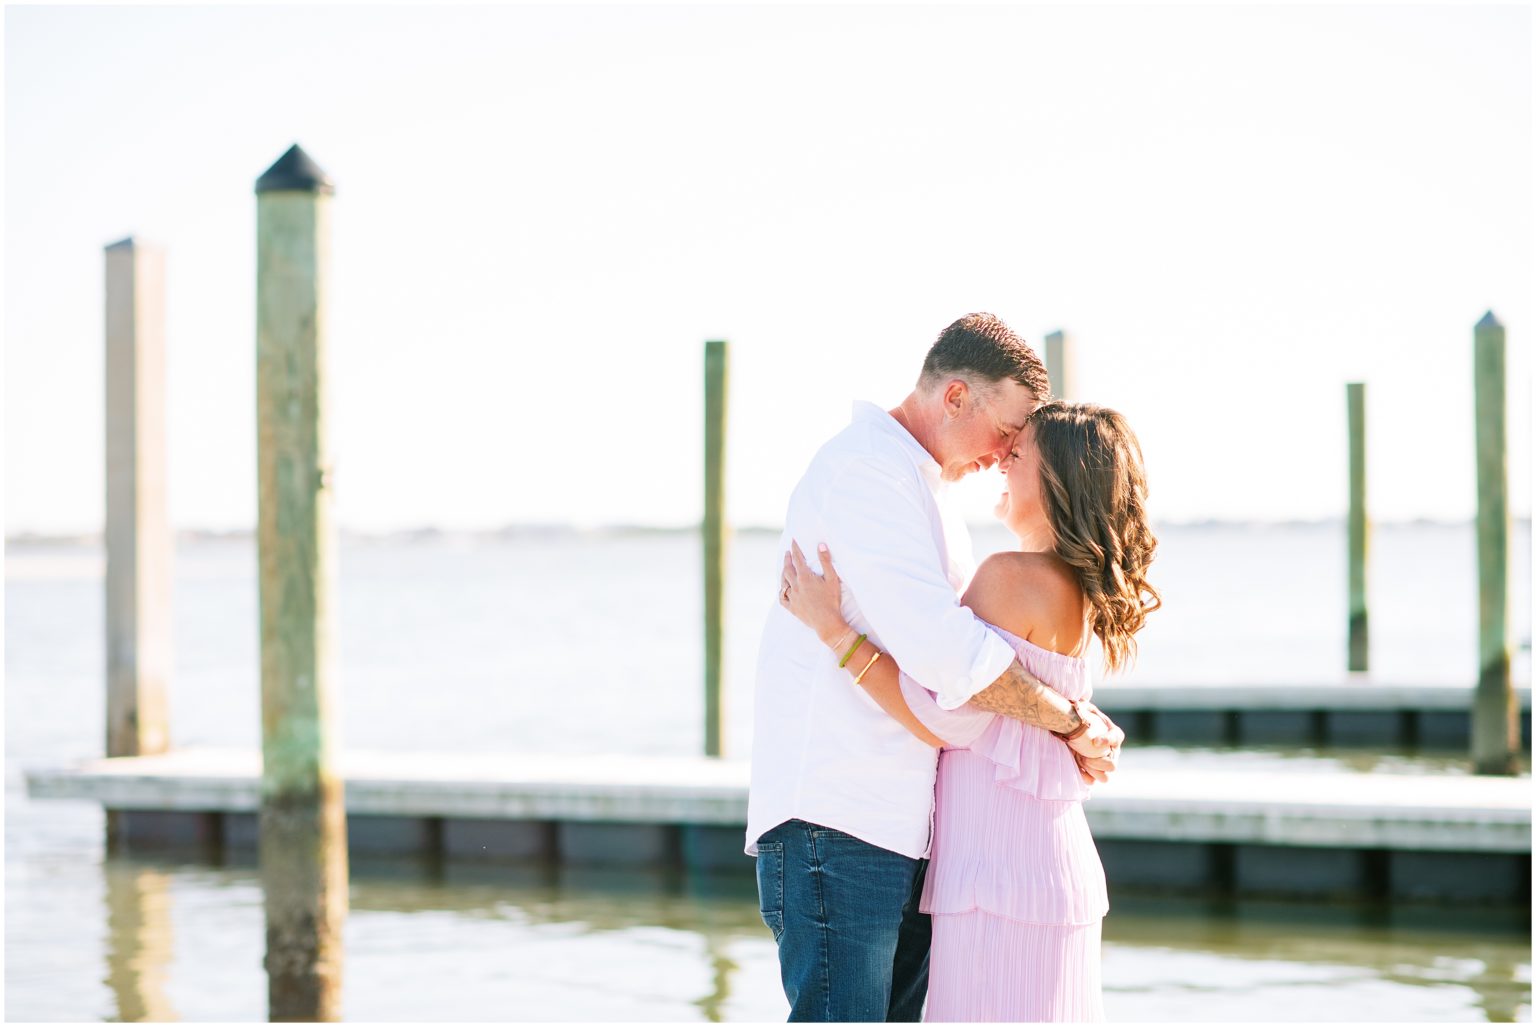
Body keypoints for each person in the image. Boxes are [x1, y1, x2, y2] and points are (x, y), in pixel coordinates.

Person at [745, 313, 1124, 1023]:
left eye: (1018, 445)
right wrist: (1070, 719)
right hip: (839, 817)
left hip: (904, 831)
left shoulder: (930, 493)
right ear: (955, 397)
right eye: (1005, 431)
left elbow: (972, 673)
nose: (1004, 453)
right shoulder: (869, 473)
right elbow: (956, 663)